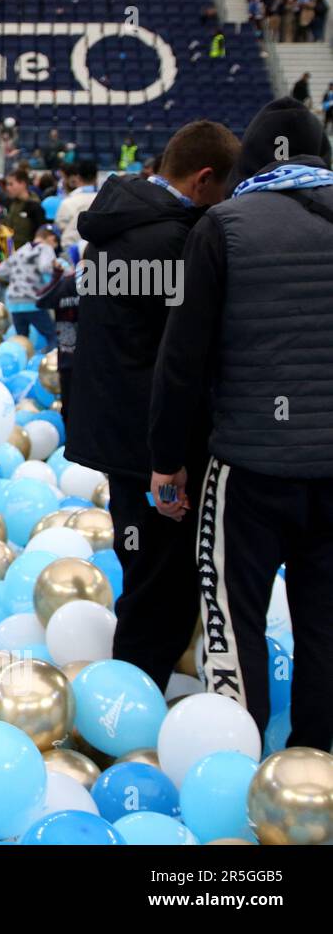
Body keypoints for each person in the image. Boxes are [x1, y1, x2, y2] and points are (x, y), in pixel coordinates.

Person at [149, 98, 333, 749]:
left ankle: (234, 764)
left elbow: (183, 361)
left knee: (233, 619)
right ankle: (312, 768)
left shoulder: (224, 227)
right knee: (324, 623)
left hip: (249, 467)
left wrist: (168, 459)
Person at [66, 119, 240, 694]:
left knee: (143, 567)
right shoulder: (177, 241)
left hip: (120, 435)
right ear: (204, 179)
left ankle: (137, 686)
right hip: (160, 444)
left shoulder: (112, 230)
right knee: (162, 581)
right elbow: (183, 360)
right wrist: (173, 455)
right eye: (226, 188)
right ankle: (131, 706)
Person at [0, 223, 59, 350]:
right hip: (32, 300)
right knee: (52, 336)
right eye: (56, 241)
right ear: (50, 237)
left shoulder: (21, 250)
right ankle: (52, 365)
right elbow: (44, 266)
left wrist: (16, 278)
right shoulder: (45, 248)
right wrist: (57, 270)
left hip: (14, 302)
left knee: (22, 340)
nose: (56, 245)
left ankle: (22, 363)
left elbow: (0, 270)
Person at [54, 159, 99, 249]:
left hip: (73, 254)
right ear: (96, 178)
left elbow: (60, 229)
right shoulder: (108, 200)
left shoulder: (67, 203)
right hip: (102, 256)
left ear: (78, 177)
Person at [3, 168, 46, 248]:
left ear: (22, 184)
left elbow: (40, 236)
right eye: (7, 184)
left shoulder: (35, 207)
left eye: (11, 184)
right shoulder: (9, 203)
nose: (8, 188)